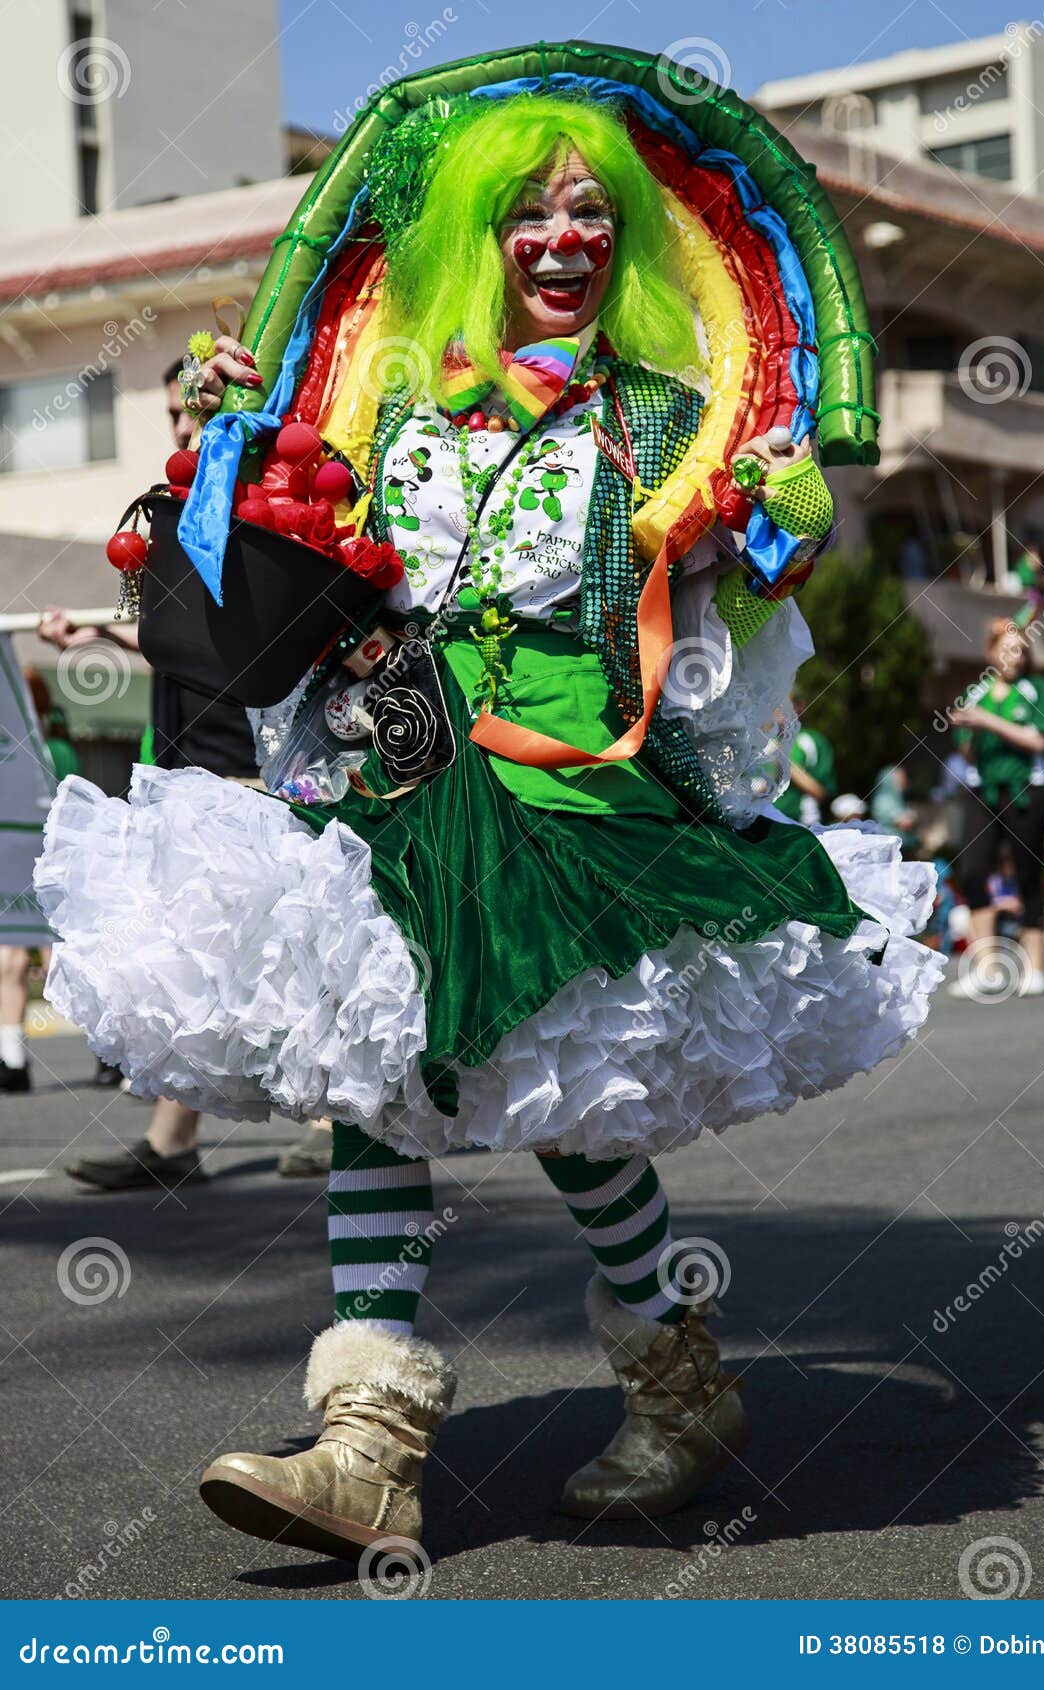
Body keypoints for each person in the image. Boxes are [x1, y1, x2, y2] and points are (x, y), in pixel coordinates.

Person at [35, 93, 942, 1560]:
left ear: (623, 238)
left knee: (561, 1103)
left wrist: (779, 507)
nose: (563, 236)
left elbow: (758, 571)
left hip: (582, 791)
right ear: (481, 235)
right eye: (531, 212)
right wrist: (237, 426)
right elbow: (301, 554)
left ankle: (664, 1378)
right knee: (387, 1077)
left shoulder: (665, 413)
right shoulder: (394, 405)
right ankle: (372, 1440)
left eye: (591, 212)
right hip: (402, 784)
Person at [37, 356, 331, 1183]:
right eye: (172, 414)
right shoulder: (183, 511)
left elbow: (255, 641)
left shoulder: (271, 506)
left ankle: (326, 1119)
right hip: (186, 756)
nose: (179, 427)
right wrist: (88, 640)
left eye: (191, 409)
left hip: (256, 761)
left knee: (285, 944)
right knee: (201, 951)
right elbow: (183, 638)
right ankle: (174, 1142)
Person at [947, 618, 1044, 998]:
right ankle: (987, 968)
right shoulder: (977, 690)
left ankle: (1035, 965)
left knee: (1028, 875)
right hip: (984, 792)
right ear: (990, 652)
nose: (1014, 656)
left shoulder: (1037, 689)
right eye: (1006, 648)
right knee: (974, 871)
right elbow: (966, 747)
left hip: (1025, 791)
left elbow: (1038, 740)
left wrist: (989, 721)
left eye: (1020, 649)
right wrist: (966, 726)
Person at [0, 672, 81, 1093]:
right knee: (24, 959)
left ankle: (14, 1056)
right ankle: (12, 1057)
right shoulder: (53, 748)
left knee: (46, 959)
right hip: (35, 860)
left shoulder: (41, 750)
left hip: (39, 861)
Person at [775, 693, 837, 826]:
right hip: (764, 825)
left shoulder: (811, 741)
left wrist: (782, 760)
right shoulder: (763, 744)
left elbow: (821, 793)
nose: (776, 709)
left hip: (801, 825)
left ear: (799, 707)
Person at [870, 763, 919, 855]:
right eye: (901, 778)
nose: (904, 780)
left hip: (903, 848)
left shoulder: (897, 798)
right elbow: (905, 823)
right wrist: (912, 818)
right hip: (891, 850)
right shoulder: (883, 800)